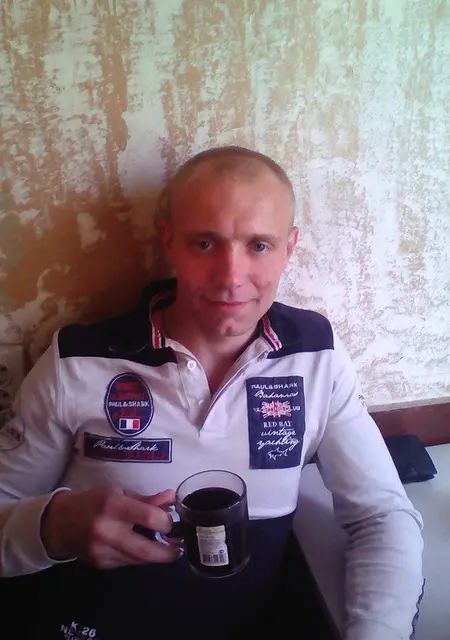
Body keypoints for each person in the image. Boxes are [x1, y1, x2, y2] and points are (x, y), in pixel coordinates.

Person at [0, 146, 423, 639]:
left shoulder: (316, 357)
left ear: (289, 247)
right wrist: (52, 527)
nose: (230, 278)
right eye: (204, 243)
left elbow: (382, 516)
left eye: (259, 245)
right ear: (169, 241)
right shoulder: (76, 360)